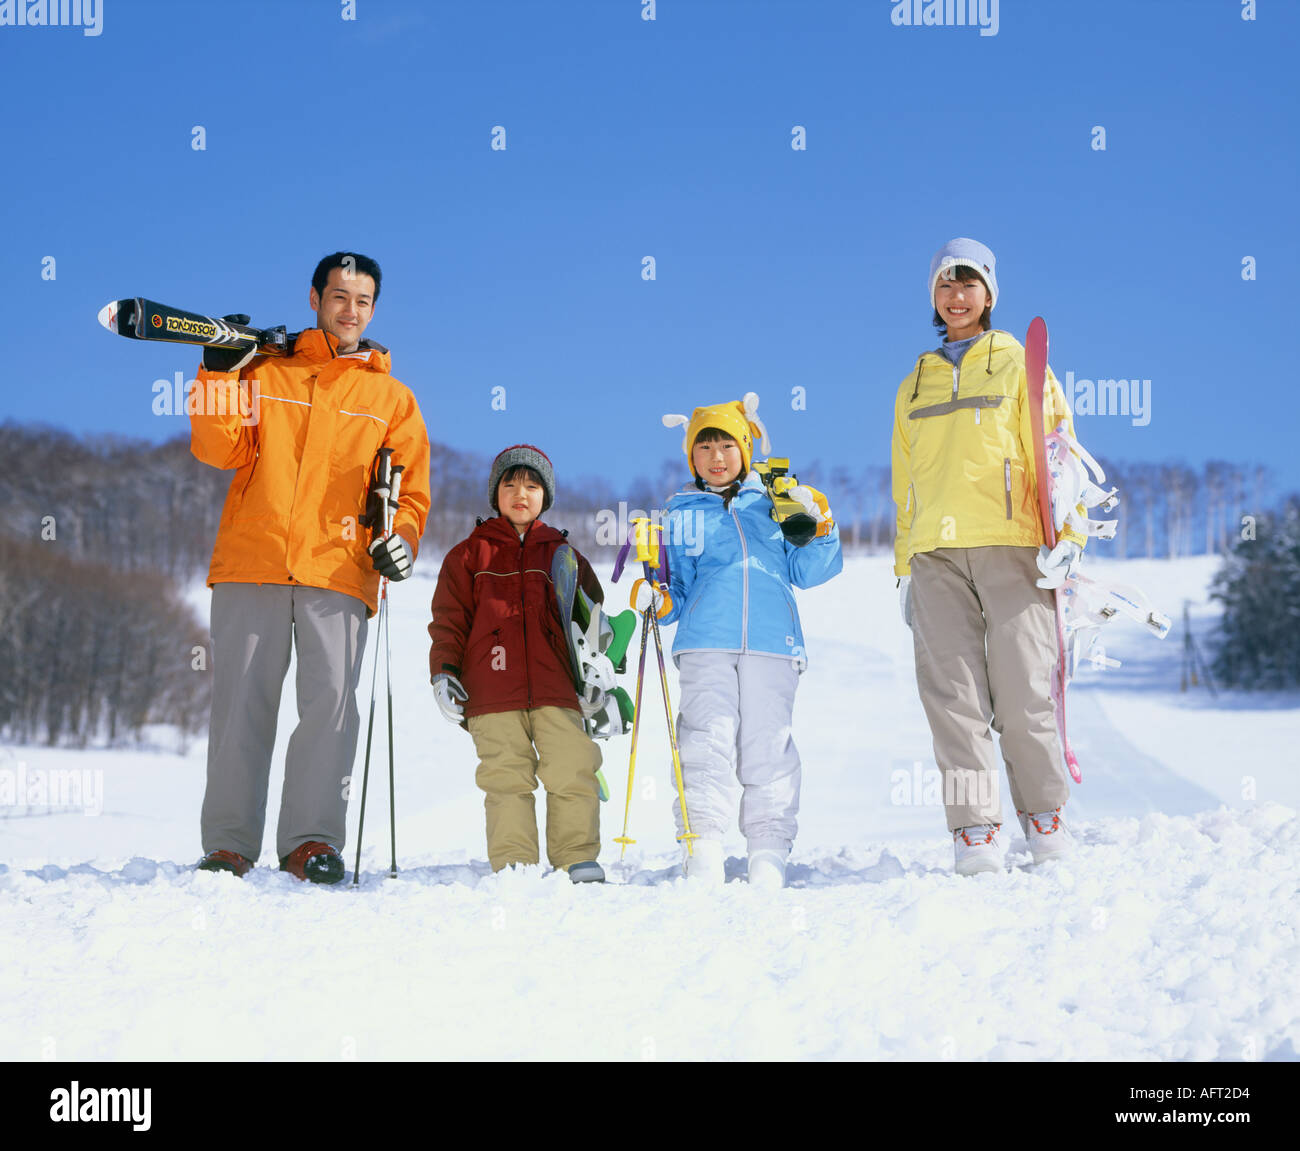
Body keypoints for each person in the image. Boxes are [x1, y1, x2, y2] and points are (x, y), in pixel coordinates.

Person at [190, 251, 431, 883]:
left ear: (373, 309)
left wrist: (399, 538)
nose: (351, 311)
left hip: (341, 571)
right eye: (339, 297)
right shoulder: (264, 370)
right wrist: (217, 372)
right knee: (241, 704)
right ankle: (228, 845)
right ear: (315, 299)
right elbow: (218, 449)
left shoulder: (392, 399)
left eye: (363, 301)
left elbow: (409, 495)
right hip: (254, 561)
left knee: (330, 708)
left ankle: (311, 841)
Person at [891, 237, 1083, 876]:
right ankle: (975, 829)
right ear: (933, 298)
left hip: (1012, 545)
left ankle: (1043, 815)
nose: (956, 295)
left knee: (1025, 687)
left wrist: (1069, 536)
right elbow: (904, 481)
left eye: (968, 283)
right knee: (953, 698)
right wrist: (903, 567)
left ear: (990, 294)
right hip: (935, 556)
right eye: (945, 285)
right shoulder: (913, 382)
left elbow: (1060, 456)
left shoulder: (1019, 363)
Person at [643, 394, 842, 889]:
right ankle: (703, 847)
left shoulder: (776, 501)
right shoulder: (681, 512)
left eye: (726, 444)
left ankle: (768, 853)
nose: (715, 456)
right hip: (706, 641)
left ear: (746, 449)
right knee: (705, 741)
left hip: (774, 643)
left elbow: (808, 570)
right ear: (691, 457)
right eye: (704, 447)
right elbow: (678, 592)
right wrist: (659, 597)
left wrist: (821, 527)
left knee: (768, 746)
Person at [428, 445, 607, 883]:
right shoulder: (469, 556)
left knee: (572, 768)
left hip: (556, 688)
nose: (520, 493)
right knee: (505, 778)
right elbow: (448, 621)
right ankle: (514, 864)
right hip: (490, 693)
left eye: (531, 485)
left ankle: (576, 857)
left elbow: (592, 621)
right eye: (509, 484)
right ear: (495, 495)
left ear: (545, 495)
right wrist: (444, 673)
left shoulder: (564, 556)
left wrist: (595, 673)